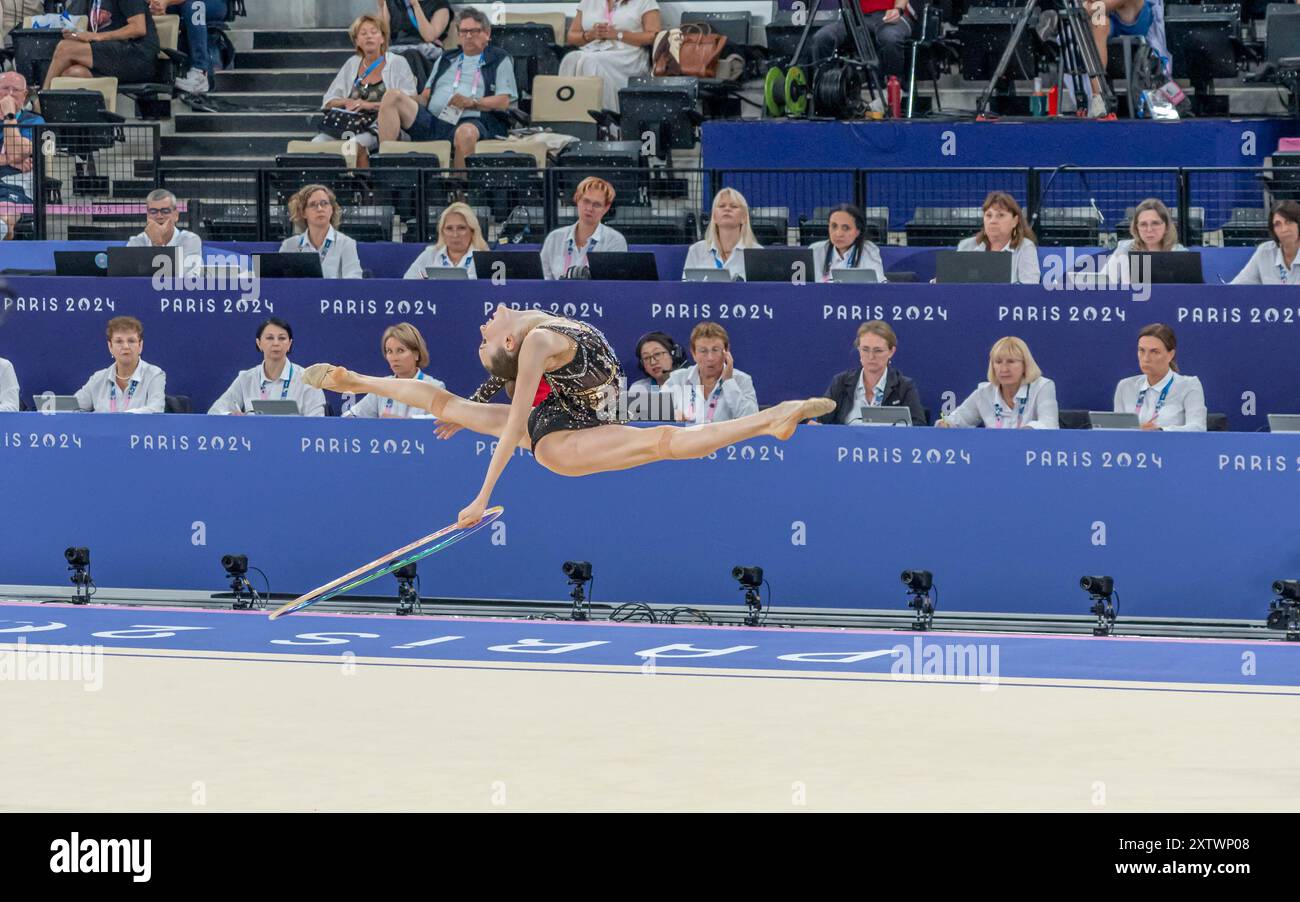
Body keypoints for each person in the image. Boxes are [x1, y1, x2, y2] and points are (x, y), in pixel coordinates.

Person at [301, 304, 834, 528]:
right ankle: (355, 380)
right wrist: (357, 381)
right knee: (456, 407)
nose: (482, 327)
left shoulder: (530, 336)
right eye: (484, 337)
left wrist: (482, 494)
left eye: (484, 337)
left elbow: (509, 413)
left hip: (580, 411)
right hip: (569, 412)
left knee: (661, 441)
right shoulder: (530, 339)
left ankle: (771, 418)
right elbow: (500, 407)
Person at [374, 9, 518, 169]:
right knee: (392, 96)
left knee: (466, 133)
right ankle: (386, 171)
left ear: (487, 33)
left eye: (474, 31)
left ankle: (459, 189)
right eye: (463, 31)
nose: (468, 36)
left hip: (475, 120)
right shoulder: (446, 58)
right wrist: (408, 98)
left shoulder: (499, 58)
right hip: (435, 121)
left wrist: (472, 102)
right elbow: (425, 98)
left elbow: (504, 101)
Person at [312, 14, 417, 156]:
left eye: (374, 32)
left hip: (380, 125)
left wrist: (368, 105)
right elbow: (329, 101)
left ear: (382, 38)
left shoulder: (397, 62)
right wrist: (347, 101)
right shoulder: (352, 63)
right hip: (350, 124)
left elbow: (409, 102)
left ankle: (361, 178)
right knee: (316, 144)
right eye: (363, 33)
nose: (369, 37)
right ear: (357, 41)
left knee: (354, 146)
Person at [208, 317, 326, 416]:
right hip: (255, 441)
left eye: (282, 338)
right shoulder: (246, 378)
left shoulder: (309, 381)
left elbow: (318, 423)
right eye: (269, 338)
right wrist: (231, 416)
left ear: (289, 344)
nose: (276, 343)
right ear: (259, 343)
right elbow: (215, 411)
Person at [560, 0, 662, 112]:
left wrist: (619, 34)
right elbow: (571, 36)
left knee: (589, 61)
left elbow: (654, 36)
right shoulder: (588, 2)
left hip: (628, 55)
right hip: (593, 50)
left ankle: (608, 120)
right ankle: (568, 114)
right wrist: (590, 35)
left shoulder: (645, 2)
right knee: (569, 59)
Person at [937, 336, 1058, 429]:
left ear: (1025, 364)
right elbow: (956, 421)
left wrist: (1028, 430)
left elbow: (1049, 424)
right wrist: (945, 424)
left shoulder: (1042, 387)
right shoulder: (984, 392)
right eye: (998, 362)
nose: (1004, 369)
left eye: (1011, 361)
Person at [817, 320, 924, 426]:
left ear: (891, 352)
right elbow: (821, 422)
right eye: (865, 349)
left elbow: (919, 426)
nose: (871, 356)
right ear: (859, 349)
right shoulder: (840, 382)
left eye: (878, 351)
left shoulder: (904, 386)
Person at [43, 0, 161, 90]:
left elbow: (138, 28)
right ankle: (91, 118)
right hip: (109, 54)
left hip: (137, 56)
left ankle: (40, 103)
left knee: (65, 49)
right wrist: (74, 33)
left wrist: (97, 37)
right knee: (73, 73)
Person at [1112, 323, 1206, 431]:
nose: (1146, 358)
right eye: (1141, 350)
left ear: (1170, 355)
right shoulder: (1125, 386)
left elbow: (1198, 428)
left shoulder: (1189, 385)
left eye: (1155, 352)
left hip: (1172, 446)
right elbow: (1117, 431)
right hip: (1133, 448)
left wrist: (1160, 431)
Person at [660, 321, 759, 424]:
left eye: (715, 350)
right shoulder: (679, 378)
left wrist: (729, 382)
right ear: (693, 353)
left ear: (726, 351)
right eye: (703, 351)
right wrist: (671, 413)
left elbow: (752, 420)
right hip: (687, 439)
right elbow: (647, 410)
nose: (710, 358)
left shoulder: (741, 380)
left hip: (728, 440)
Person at [344, 323, 446, 418]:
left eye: (400, 351)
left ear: (416, 354)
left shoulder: (435, 387)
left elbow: (442, 422)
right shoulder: (381, 386)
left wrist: (404, 423)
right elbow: (350, 417)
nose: (394, 358)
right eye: (389, 351)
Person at [540, 177, 628, 279]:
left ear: (606, 208)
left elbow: (612, 286)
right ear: (577, 199)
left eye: (597, 204)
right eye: (586, 201)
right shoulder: (554, 238)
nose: (589, 208)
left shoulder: (614, 241)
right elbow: (543, 282)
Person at [74, 316, 166, 413]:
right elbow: (72, 408)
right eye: (119, 341)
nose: (125, 346)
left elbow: (156, 411)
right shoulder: (98, 378)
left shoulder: (154, 375)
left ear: (140, 346)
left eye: (131, 341)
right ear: (110, 346)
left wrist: (121, 418)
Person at [810, 0, 913, 81]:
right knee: (823, 38)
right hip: (857, 17)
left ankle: (893, 88)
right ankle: (824, 92)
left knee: (890, 38)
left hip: (891, 13)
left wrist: (898, 9)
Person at [277, 184, 364, 279]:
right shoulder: (289, 245)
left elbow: (354, 280)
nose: (320, 209)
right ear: (303, 213)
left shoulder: (346, 243)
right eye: (313, 204)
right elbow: (279, 283)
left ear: (332, 209)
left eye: (324, 203)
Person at [956, 192, 1041, 285]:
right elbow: (954, 285)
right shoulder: (966, 246)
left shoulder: (1025, 247)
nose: (993, 221)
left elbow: (1029, 289)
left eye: (1000, 215)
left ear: (1015, 221)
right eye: (988, 215)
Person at [148, 0, 229, 94]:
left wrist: (166, 2)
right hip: (177, 3)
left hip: (213, 3)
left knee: (194, 6)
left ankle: (200, 72)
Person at [682, 188, 762, 281]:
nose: (727, 209)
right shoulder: (696, 250)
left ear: (743, 217)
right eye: (721, 206)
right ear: (714, 217)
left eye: (734, 206)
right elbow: (686, 288)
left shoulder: (758, 253)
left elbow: (763, 292)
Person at [1103, 198, 1186, 286]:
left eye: (1155, 223)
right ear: (1136, 228)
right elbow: (1101, 284)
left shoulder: (1179, 253)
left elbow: (1194, 292)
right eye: (1143, 224)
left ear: (1166, 227)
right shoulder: (1125, 250)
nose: (1149, 230)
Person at [0, 72, 43, 238]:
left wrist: (9, 116)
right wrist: (7, 160)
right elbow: (14, 157)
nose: (9, 94)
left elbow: (17, 152)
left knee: (5, 213)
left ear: (24, 95)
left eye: (15, 90)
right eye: (4, 88)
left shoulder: (34, 122)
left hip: (15, 186)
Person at [126, 188, 204, 276]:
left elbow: (187, 279)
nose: (159, 216)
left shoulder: (190, 240)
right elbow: (130, 280)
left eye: (165, 211)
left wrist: (157, 244)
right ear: (147, 216)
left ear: (176, 215)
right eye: (153, 211)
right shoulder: (136, 242)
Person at [376, 0, 452, 87]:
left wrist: (415, 5)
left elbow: (429, 36)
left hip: (425, 56)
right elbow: (383, 37)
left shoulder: (440, 5)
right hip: (395, 50)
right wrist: (382, 7)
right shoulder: (394, 3)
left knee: (410, 56)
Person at [402, 202, 487, 278]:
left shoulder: (484, 259)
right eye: (449, 228)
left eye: (461, 228)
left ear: (472, 231)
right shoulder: (430, 254)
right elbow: (407, 285)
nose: (455, 234)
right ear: (442, 232)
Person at [809, 204, 886, 283]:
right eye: (834, 226)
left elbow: (879, 284)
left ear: (858, 231)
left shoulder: (868, 250)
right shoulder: (815, 250)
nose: (838, 234)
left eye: (846, 228)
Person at [1230, 200, 1300, 285]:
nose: (1284, 229)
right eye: (1278, 224)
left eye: (1289, 222)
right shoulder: (1264, 252)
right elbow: (1236, 287)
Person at [626, 330, 684, 419]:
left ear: (673, 354)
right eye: (646, 358)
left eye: (657, 354)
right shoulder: (638, 389)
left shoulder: (690, 383)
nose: (652, 362)